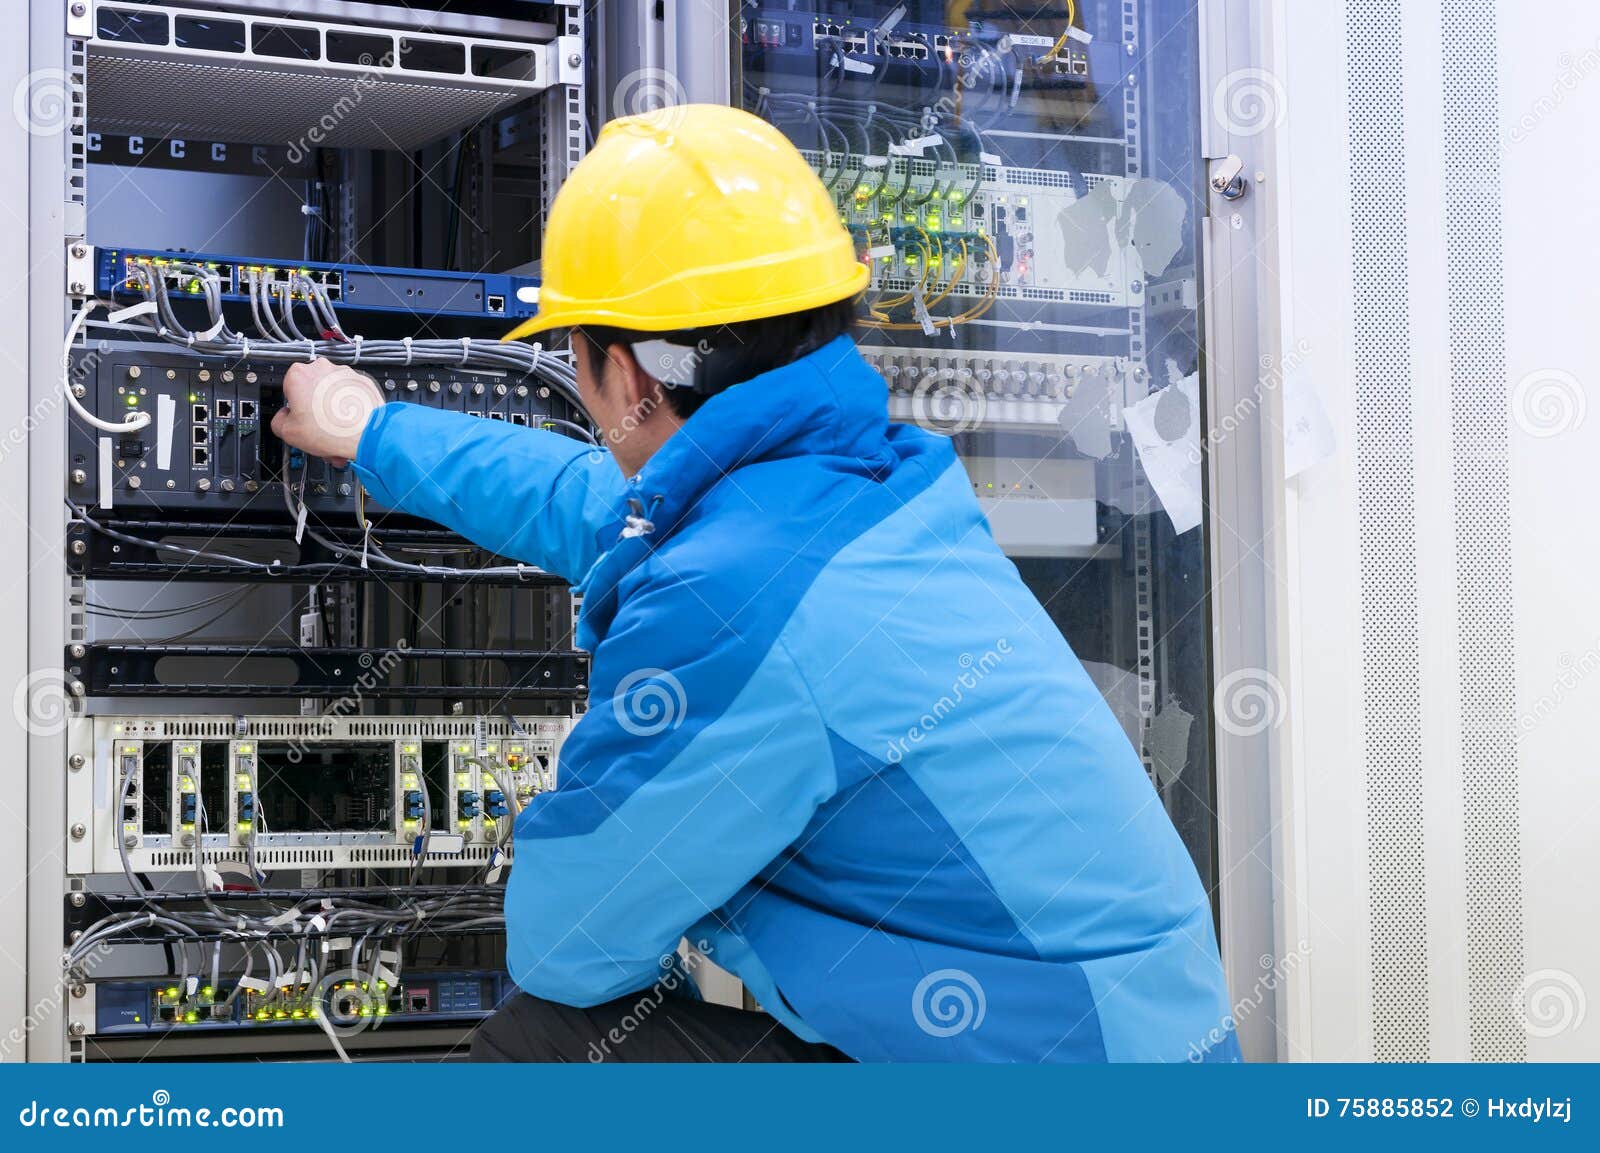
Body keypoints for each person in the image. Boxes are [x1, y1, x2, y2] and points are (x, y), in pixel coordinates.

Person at [271, 104, 1239, 1063]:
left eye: (571, 362)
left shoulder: (732, 595)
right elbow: (595, 504)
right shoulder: (862, 482)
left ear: (626, 376)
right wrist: (375, 433)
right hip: (1095, 1052)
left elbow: (570, 944)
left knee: (551, 1044)